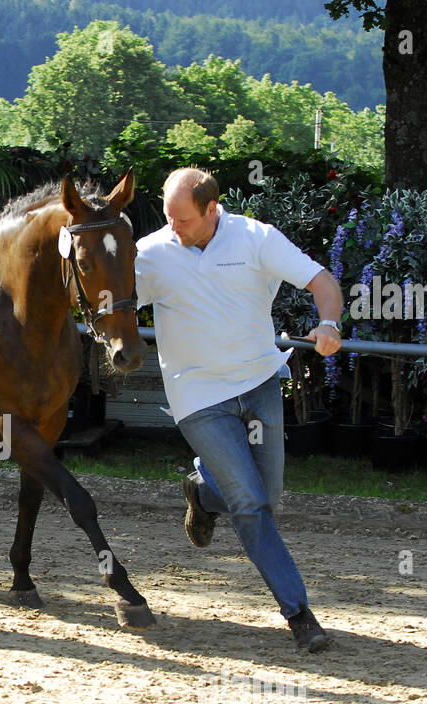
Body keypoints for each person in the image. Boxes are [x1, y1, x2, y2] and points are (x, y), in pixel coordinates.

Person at [135, 167, 344, 653]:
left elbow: (321, 280)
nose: (173, 228)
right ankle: (299, 614)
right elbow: (103, 292)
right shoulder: (149, 254)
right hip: (198, 396)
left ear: (212, 209)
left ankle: (204, 493)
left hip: (259, 383)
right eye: (168, 218)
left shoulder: (255, 238)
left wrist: (329, 323)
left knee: (265, 499)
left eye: (183, 219)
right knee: (250, 505)